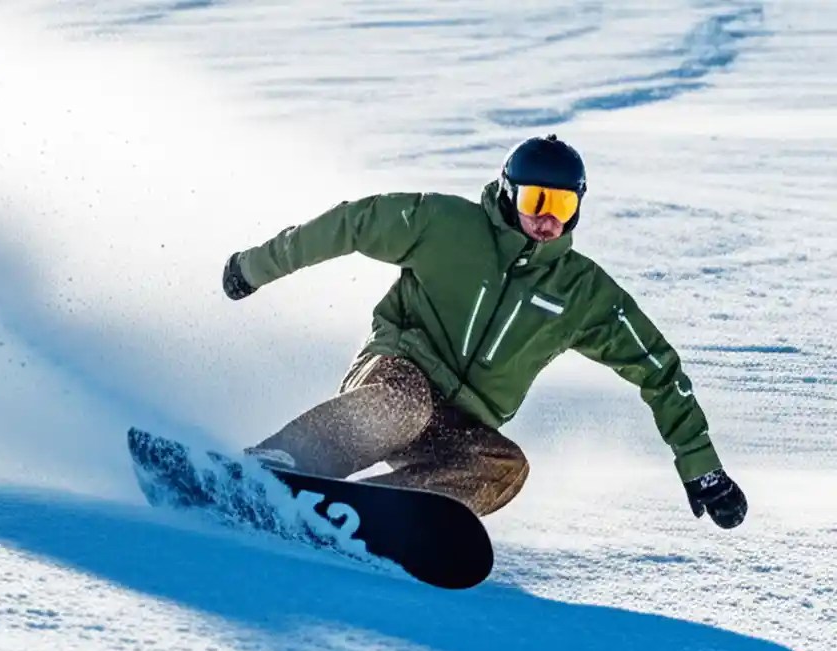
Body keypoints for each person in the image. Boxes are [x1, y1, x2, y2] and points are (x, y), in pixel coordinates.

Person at [221, 134, 747, 528]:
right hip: (395, 374)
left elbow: (658, 369)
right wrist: (255, 267)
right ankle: (276, 464)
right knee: (405, 402)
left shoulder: (581, 292)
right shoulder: (445, 226)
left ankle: (380, 513)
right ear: (509, 193)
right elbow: (353, 223)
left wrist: (701, 466)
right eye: (537, 201)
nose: (548, 219)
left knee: (505, 466)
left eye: (563, 205)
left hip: (457, 422)